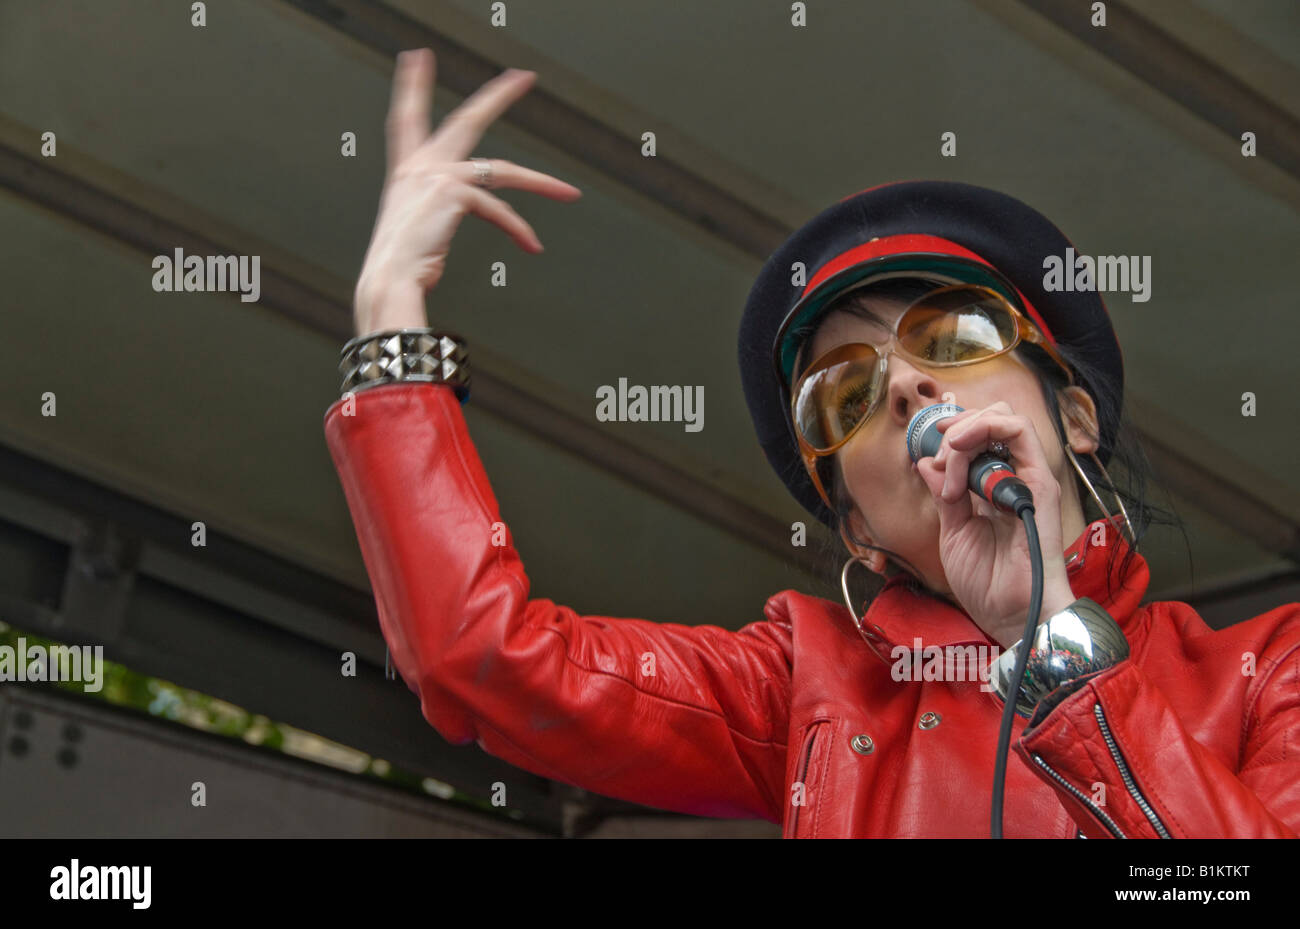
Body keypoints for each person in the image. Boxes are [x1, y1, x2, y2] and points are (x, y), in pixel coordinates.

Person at [324, 48, 1300, 837]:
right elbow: (486, 660)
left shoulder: (1272, 667)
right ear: (859, 527)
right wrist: (388, 326)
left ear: (1074, 415)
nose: (911, 384)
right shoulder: (811, 687)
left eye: (953, 336)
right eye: (843, 393)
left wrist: (1049, 643)